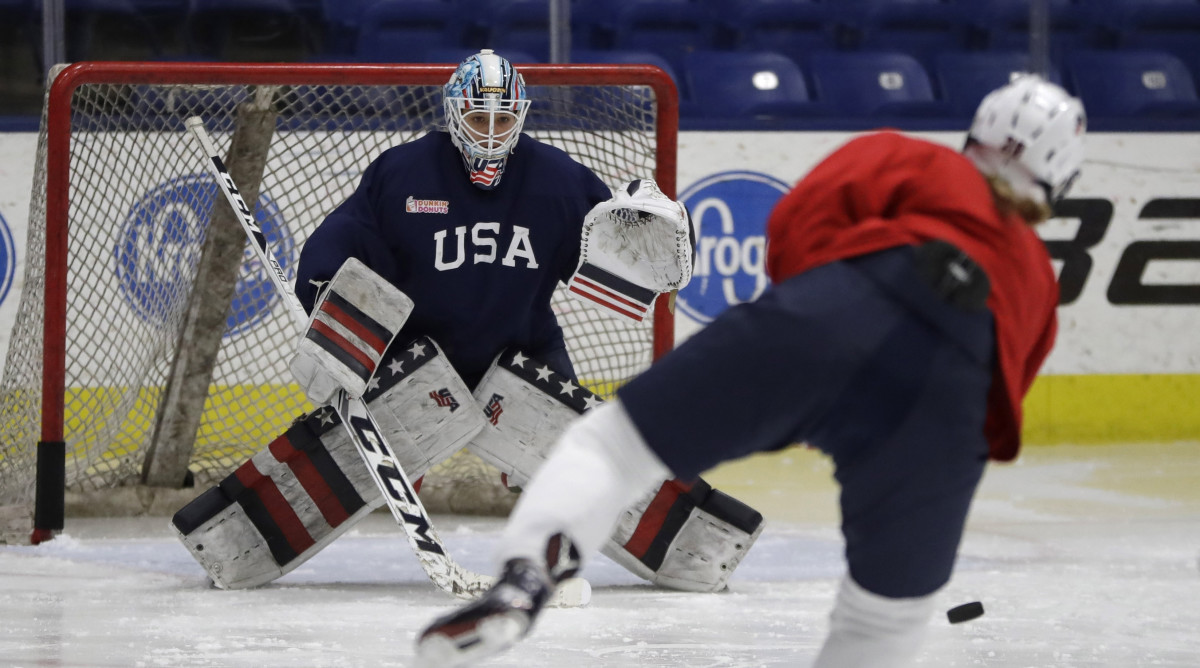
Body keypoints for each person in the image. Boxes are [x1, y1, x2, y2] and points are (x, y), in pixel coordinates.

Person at [416, 74, 1086, 668]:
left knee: (610, 447)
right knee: (885, 618)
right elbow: (1004, 396)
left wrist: (800, 366)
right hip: (948, 405)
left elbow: (797, 226)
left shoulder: (912, 158)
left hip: (836, 314)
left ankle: (524, 581)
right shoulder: (1037, 276)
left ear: (978, 132)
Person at [171, 49, 762, 594]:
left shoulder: (557, 180)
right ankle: (238, 542)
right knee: (353, 463)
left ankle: (675, 550)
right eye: (479, 117)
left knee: (578, 462)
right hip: (416, 356)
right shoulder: (404, 173)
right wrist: (324, 303)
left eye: (504, 119)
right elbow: (345, 244)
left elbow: (615, 257)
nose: (491, 132)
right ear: (454, 112)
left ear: (521, 116)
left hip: (523, 350)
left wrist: (652, 235)